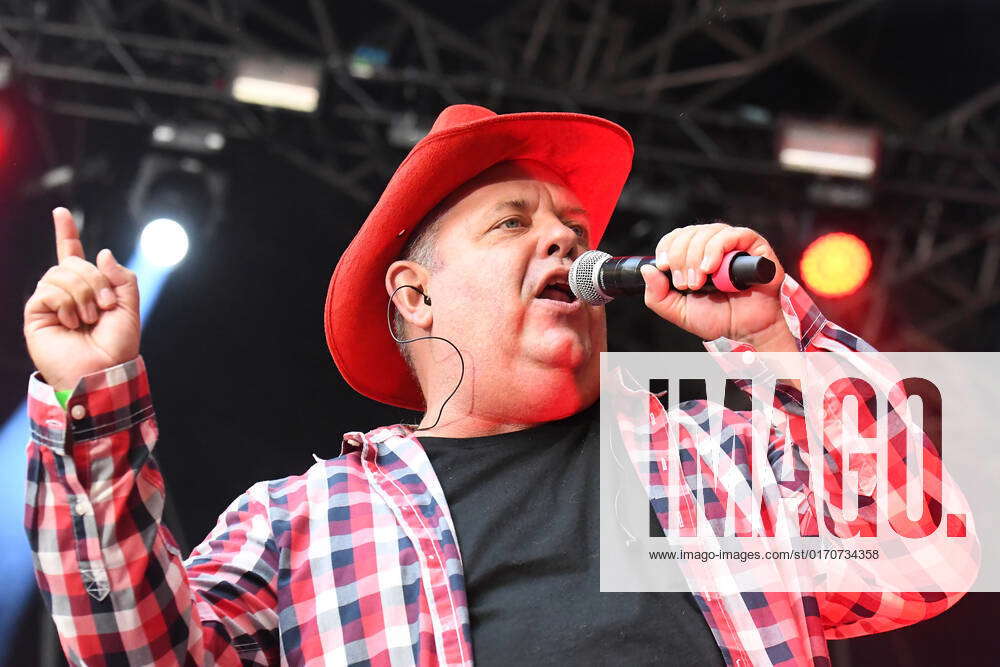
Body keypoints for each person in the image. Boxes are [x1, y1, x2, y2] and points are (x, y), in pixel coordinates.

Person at [22, 105, 972, 666]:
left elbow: (927, 554)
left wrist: (774, 338)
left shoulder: (709, 458)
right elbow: (138, 650)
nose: (564, 237)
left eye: (569, 222)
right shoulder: (303, 523)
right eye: (512, 222)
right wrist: (93, 404)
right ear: (417, 293)